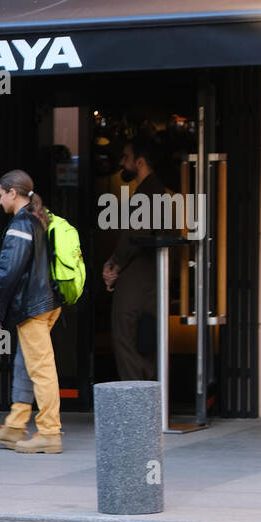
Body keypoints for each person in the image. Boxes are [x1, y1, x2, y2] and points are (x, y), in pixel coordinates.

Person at [0, 169, 63, 454]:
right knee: (25, 364)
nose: (0, 201)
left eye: (1, 195)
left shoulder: (20, 224)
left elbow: (9, 272)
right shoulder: (38, 218)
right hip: (45, 302)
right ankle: (15, 426)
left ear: (11, 193)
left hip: (32, 306)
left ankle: (50, 432)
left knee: (41, 369)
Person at [103, 137, 161, 381]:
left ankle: (138, 396)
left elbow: (135, 235)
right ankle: (150, 393)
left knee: (124, 338)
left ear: (140, 162)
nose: (121, 163)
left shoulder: (148, 192)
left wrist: (113, 265)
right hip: (150, 278)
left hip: (137, 278)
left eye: (126, 157)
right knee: (147, 340)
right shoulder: (155, 190)